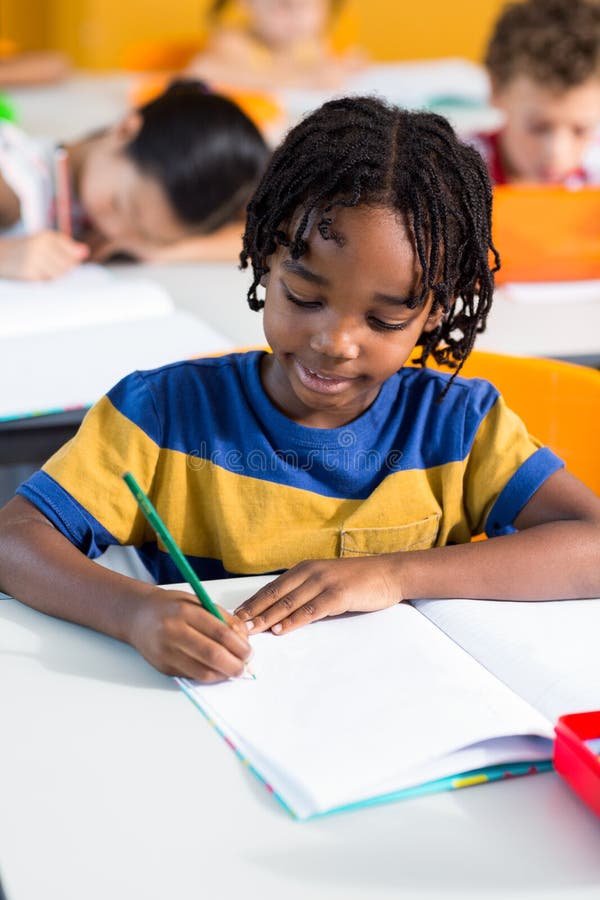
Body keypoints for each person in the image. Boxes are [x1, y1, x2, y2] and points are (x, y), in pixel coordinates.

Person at [1, 95, 599, 683]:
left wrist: (396, 574)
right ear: (265, 261)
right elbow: (15, 537)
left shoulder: (458, 428)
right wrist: (132, 613)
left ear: (435, 313)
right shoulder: (163, 417)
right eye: (305, 299)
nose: (335, 342)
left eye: (385, 321)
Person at [0, 80, 269, 280]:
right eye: (119, 205)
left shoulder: (122, 207)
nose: (115, 232)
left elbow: (269, 238)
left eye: (145, 234)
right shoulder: (16, 179)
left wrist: (162, 250)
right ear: (125, 131)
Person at [473, 0, 600, 184]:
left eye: (580, 131)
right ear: (496, 90)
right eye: (539, 127)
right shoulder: (451, 174)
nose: (557, 153)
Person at [185, 0, 364, 91]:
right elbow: (199, 71)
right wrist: (300, 81)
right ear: (247, 4)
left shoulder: (311, 43)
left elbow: (324, 73)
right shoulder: (234, 42)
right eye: (281, 6)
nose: (296, 18)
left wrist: (342, 65)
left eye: (308, 6)